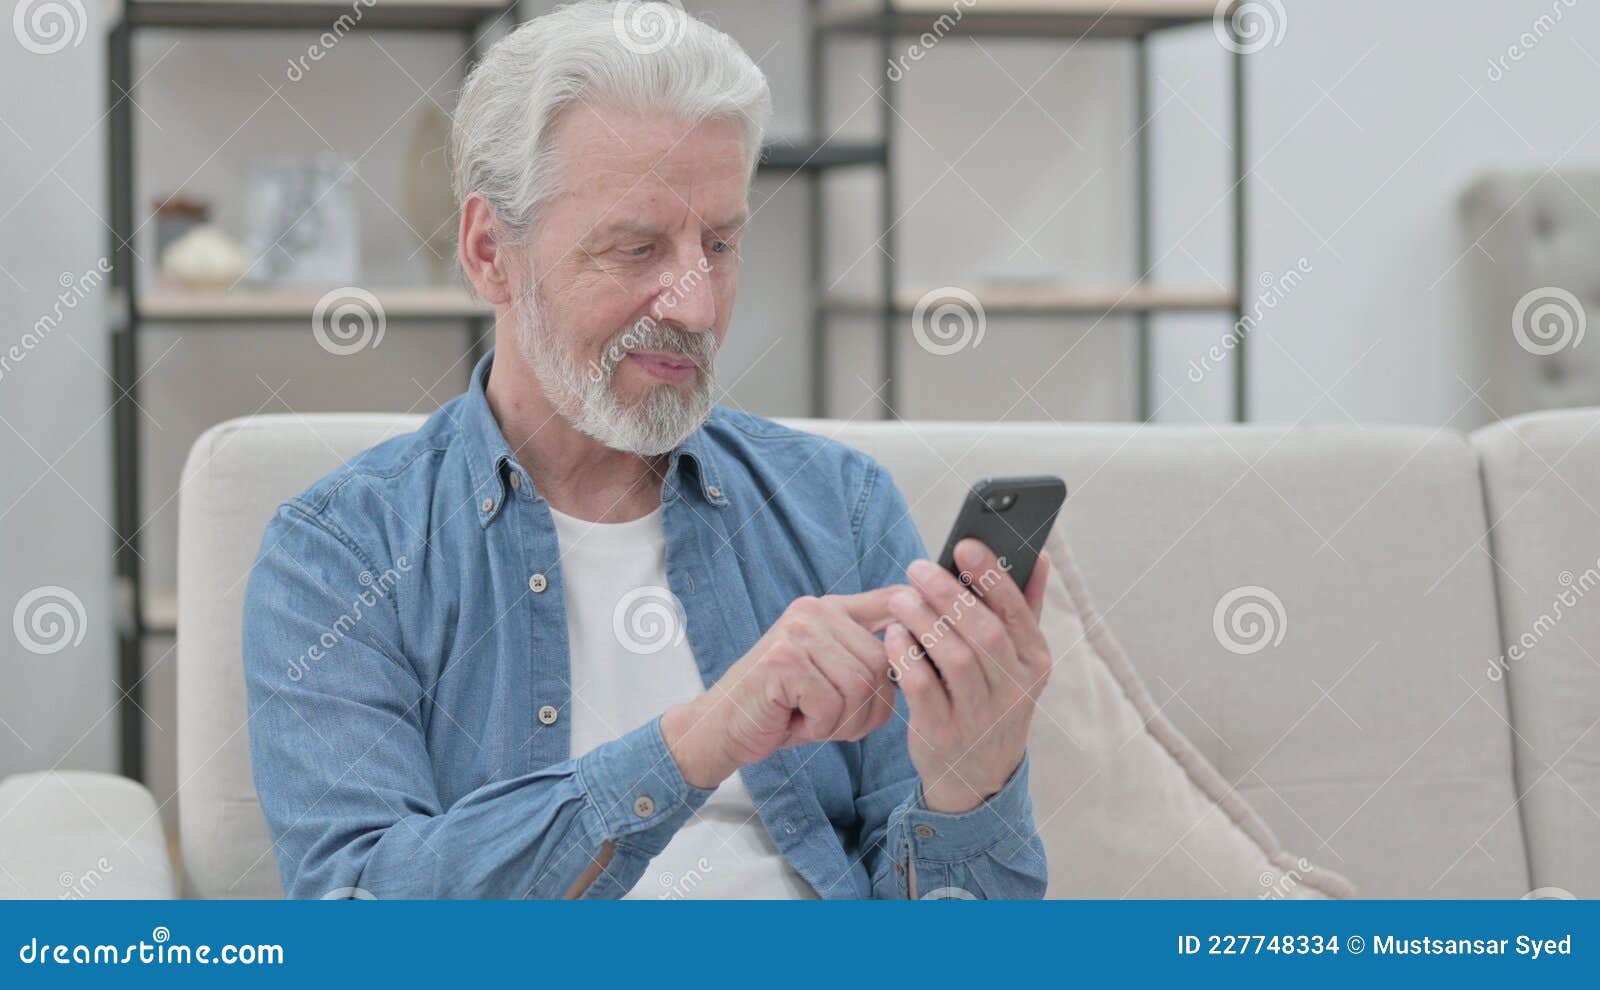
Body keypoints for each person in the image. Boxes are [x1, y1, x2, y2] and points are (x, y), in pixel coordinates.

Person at [243, 1, 1053, 899]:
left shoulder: (840, 506)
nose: (697, 307)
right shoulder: (343, 553)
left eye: (720, 244)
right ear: (489, 252)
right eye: (636, 248)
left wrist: (971, 781)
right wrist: (701, 739)